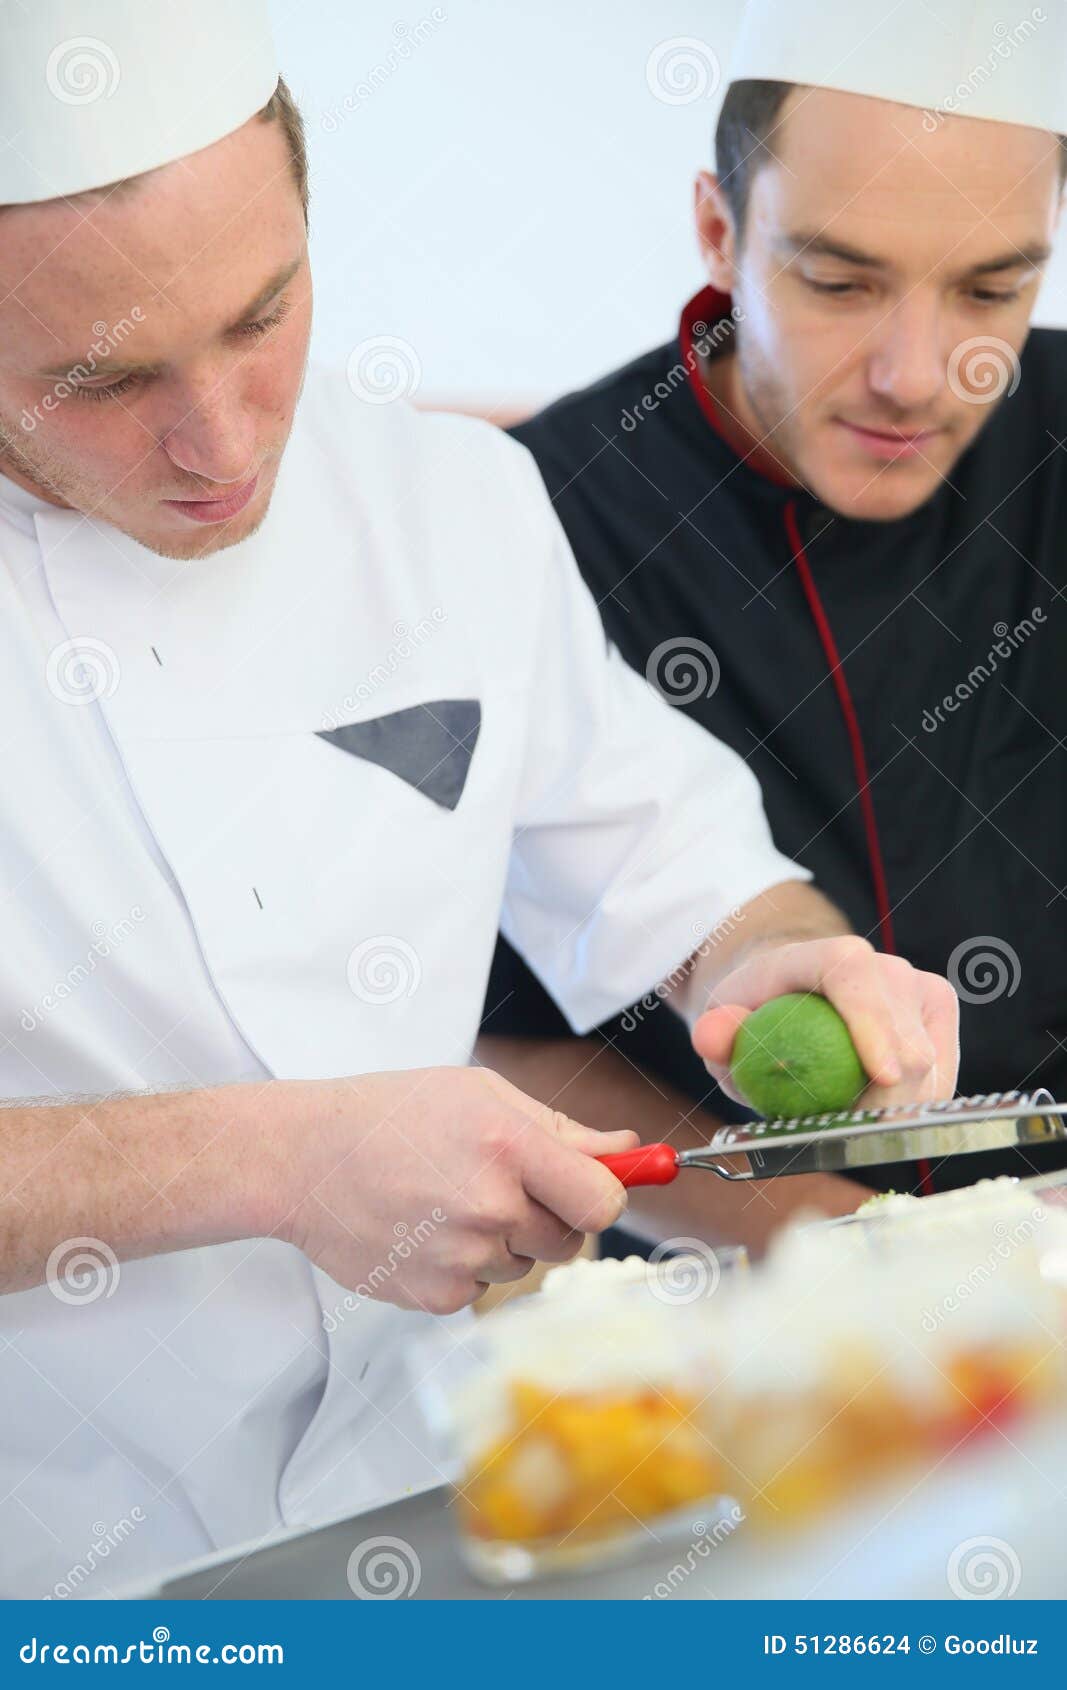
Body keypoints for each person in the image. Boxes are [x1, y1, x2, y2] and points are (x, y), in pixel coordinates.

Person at [0, 3, 954, 1596]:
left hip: (426, 1509)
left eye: (263, 313)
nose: (222, 441)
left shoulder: (451, 500)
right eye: (102, 380)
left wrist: (771, 957)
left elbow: (667, 863)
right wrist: (270, 1163)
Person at [480, 0, 1067, 1242]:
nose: (915, 373)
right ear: (716, 229)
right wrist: (831, 1242)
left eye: (989, 287)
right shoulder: (537, 516)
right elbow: (497, 1038)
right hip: (736, 1297)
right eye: (839, 281)